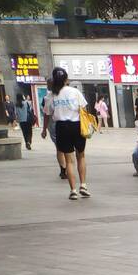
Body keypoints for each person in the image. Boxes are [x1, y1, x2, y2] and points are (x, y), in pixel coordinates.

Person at [46, 68, 90, 200]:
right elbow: (84, 109)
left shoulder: (51, 95)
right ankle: (83, 185)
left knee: (69, 160)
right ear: (66, 79)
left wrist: (43, 129)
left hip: (61, 127)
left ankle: (73, 191)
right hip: (76, 126)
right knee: (81, 156)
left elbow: (48, 113)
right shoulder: (75, 92)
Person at [40, 84, 65, 181]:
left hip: (54, 126)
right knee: (66, 149)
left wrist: (44, 129)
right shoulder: (66, 94)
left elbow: (46, 115)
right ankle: (65, 168)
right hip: (65, 124)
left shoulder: (48, 97)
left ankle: (63, 169)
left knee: (59, 149)